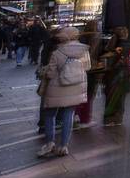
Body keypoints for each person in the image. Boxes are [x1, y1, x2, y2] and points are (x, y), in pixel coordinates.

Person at [36, 27, 90, 159]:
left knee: (50, 115)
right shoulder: (84, 51)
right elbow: (88, 67)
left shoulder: (58, 52)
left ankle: (50, 143)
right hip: (75, 88)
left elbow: (51, 73)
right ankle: (64, 146)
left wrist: (44, 71)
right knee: (68, 116)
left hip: (56, 88)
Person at [102, 27, 130, 125]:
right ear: (126, 34)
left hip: (111, 75)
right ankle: (117, 119)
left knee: (110, 97)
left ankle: (108, 119)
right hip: (124, 75)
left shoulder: (111, 46)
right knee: (121, 97)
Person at [77, 20, 103, 127]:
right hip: (92, 69)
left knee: (80, 94)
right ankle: (85, 118)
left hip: (80, 69)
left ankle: (76, 114)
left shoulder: (81, 38)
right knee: (89, 94)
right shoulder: (97, 39)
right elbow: (99, 54)